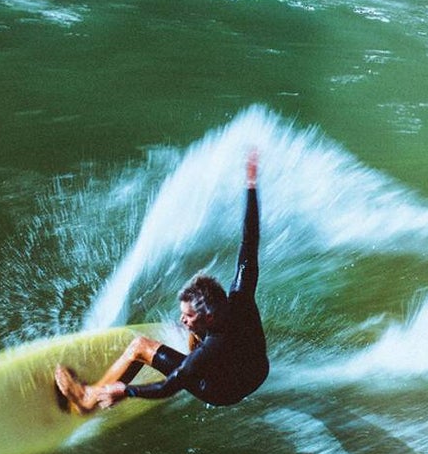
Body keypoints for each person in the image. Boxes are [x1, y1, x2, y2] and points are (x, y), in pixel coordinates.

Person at [56, 150, 270, 412]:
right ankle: (200, 339)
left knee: (140, 347)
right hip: (256, 371)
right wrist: (251, 186)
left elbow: (169, 386)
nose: (182, 318)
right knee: (193, 332)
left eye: (189, 315)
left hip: (221, 390)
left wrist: (128, 390)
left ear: (210, 318)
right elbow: (250, 243)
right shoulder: (240, 296)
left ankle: (88, 400)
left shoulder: (211, 349)